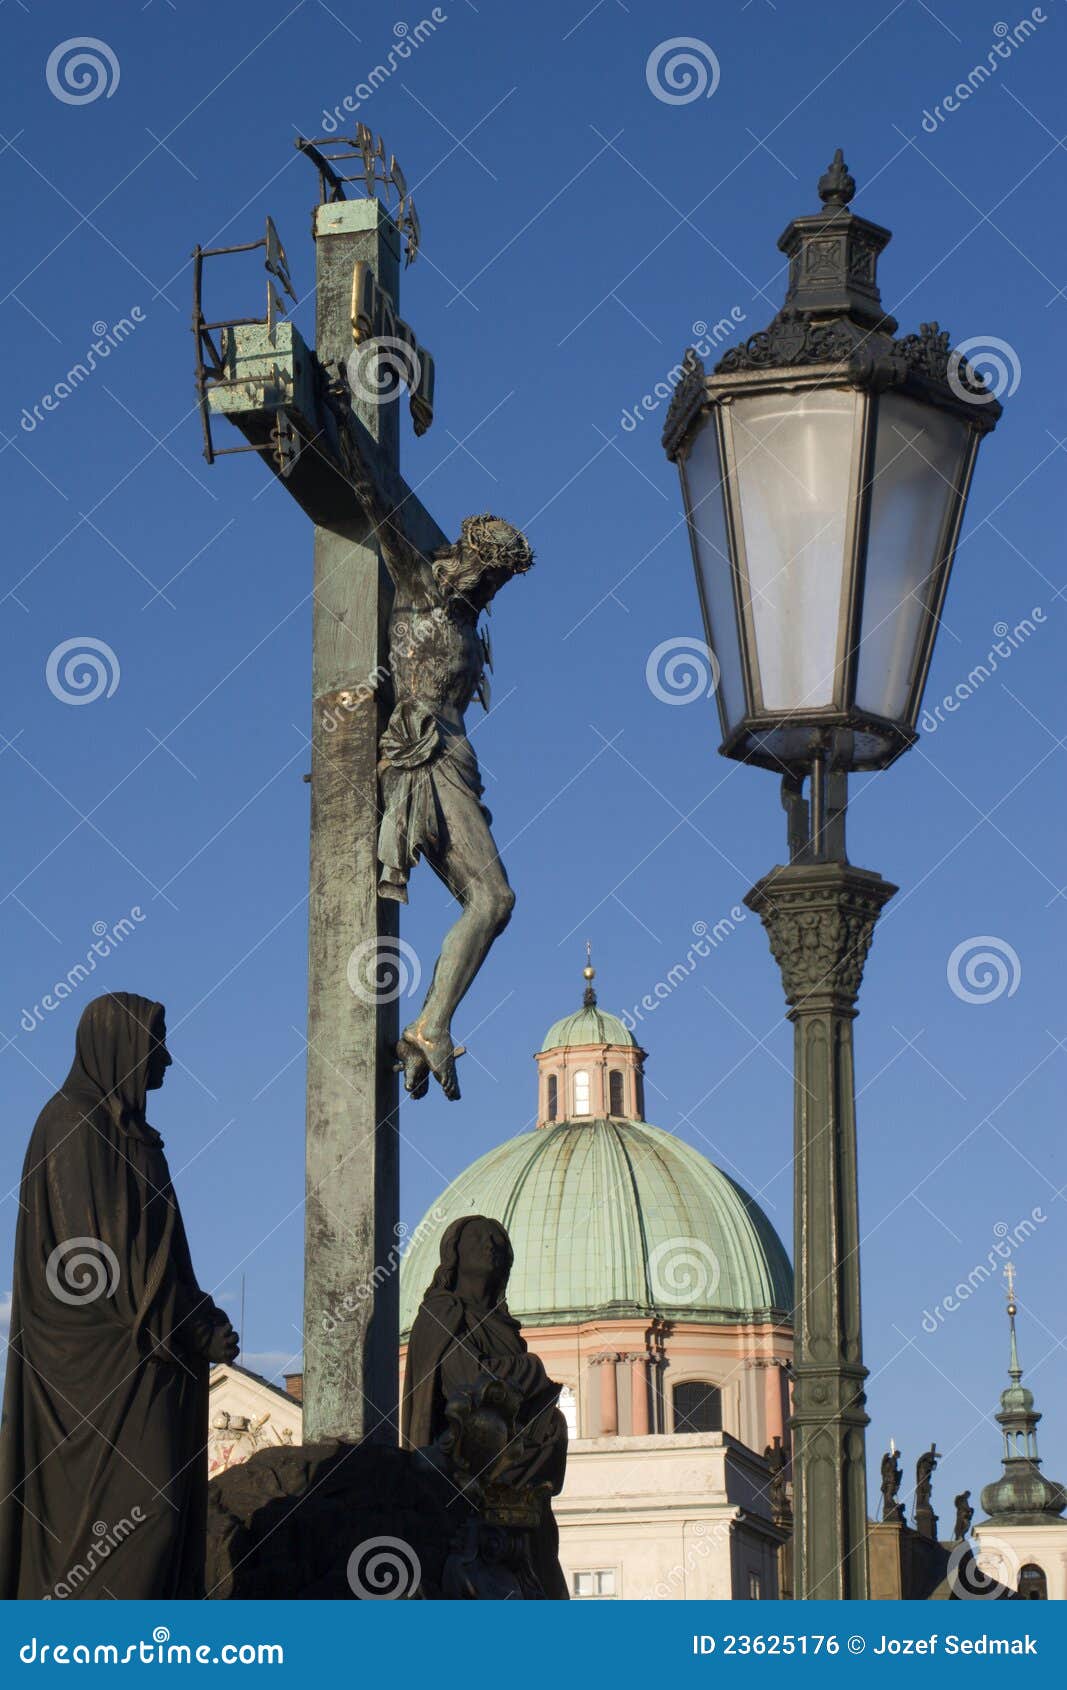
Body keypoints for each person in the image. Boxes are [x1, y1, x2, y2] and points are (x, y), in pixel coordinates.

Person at [0, 993, 238, 1599]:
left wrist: (197, 1313)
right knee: (148, 1514)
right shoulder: (74, 1124)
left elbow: (162, 1255)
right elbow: (97, 1260)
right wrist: (187, 1325)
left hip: (148, 1357)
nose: (166, 1060)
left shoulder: (133, 1137)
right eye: (155, 1043)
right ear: (119, 1045)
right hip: (99, 1370)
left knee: (165, 1514)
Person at [345, 432, 533, 1101]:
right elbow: (373, 497)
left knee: (493, 901)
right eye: (486, 574)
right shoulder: (420, 586)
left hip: (453, 757)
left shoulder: (465, 614)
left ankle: (431, 1024)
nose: (490, 589)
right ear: (461, 560)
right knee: (494, 898)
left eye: (500, 582)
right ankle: (431, 1026)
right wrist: (340, 409)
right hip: (422, 755)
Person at [402, 1215, 567, 1597]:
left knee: (543, 1573)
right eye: (477, 1237)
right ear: (453, 1253)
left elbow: (501, 1386)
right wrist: (531, 1369)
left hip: (520, 1481)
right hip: (465, 1469)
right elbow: (468, 1381)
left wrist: (518, 1379)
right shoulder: (439, 1314)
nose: (489, 1244)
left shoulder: (503, 1327)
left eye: (497, 1239)